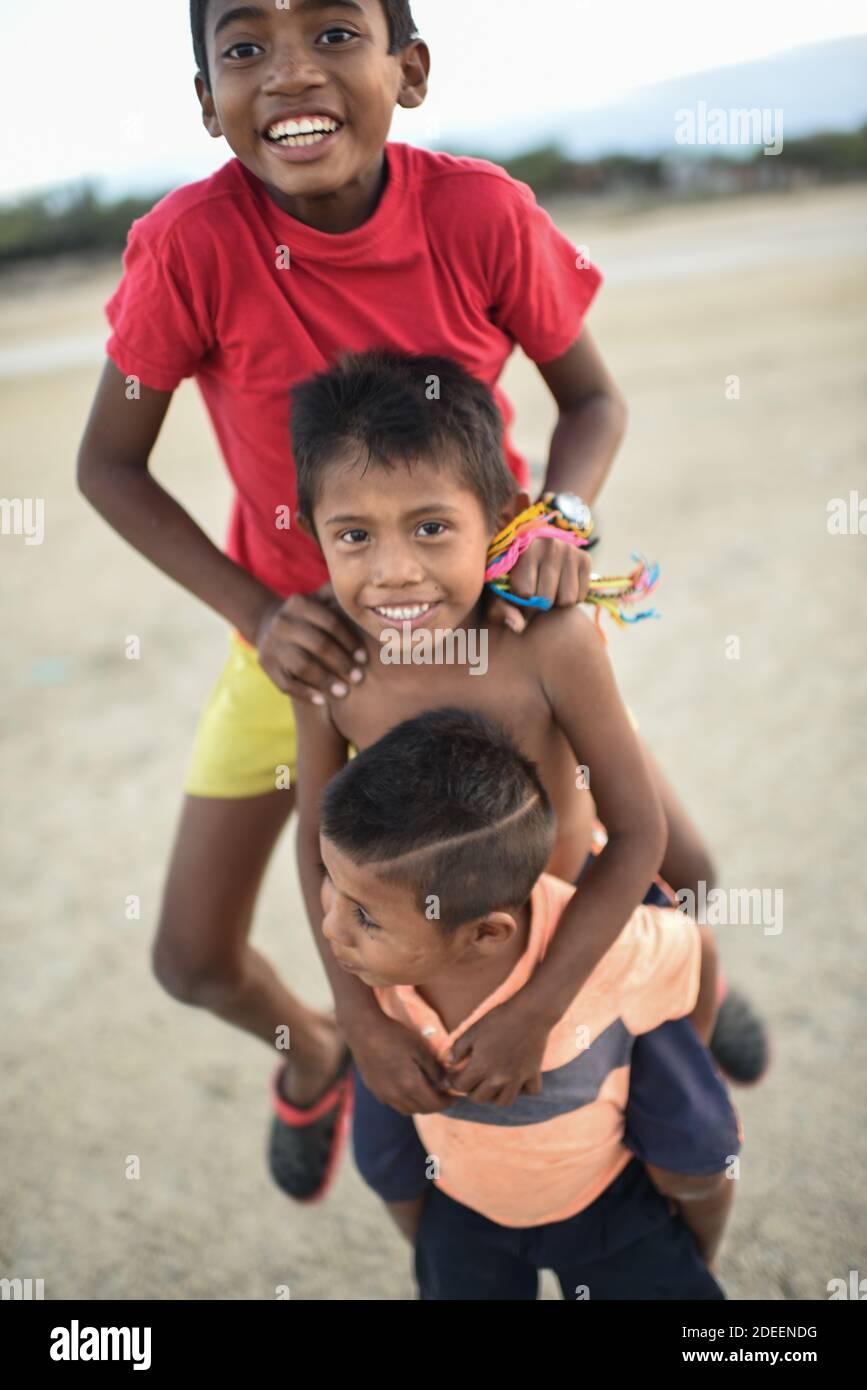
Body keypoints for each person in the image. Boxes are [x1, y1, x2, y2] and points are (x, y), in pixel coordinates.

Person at [76, 0, 761, 1201]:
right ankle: (321, 1054)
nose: (290, 73)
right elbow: (106, 466)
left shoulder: (480, 212)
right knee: (189, 956)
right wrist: (256, 610)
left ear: (413, 69)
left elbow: (591, 401)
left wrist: (559, 521)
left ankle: (660, 1009)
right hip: (302, 639)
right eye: (244, 48)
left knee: (680, 867)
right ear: (204, 101)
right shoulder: (189, 245)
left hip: (491, 609)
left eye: (335, 33)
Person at [289, 347, 743, 1235]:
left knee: (689, 1149)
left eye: (430, 529)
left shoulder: (548, 642)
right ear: (311, 532)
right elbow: (318, 844)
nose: (392, 573)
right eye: (353, 536)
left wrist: (539, 1007)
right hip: (413, 971)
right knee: (400, 1167)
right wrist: (359, 1022)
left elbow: (640, 835)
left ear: (500, 516)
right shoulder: (331, 666)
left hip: (582, 938)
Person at [318, 707, 735, 1300]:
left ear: (486, 935)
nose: (331, 927)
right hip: (462, 1214)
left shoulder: (603, 949)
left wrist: (680, 1056)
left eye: (362, 916)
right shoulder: (374, 958)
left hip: (607, 1211)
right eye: (330, 884)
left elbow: (695, 948)